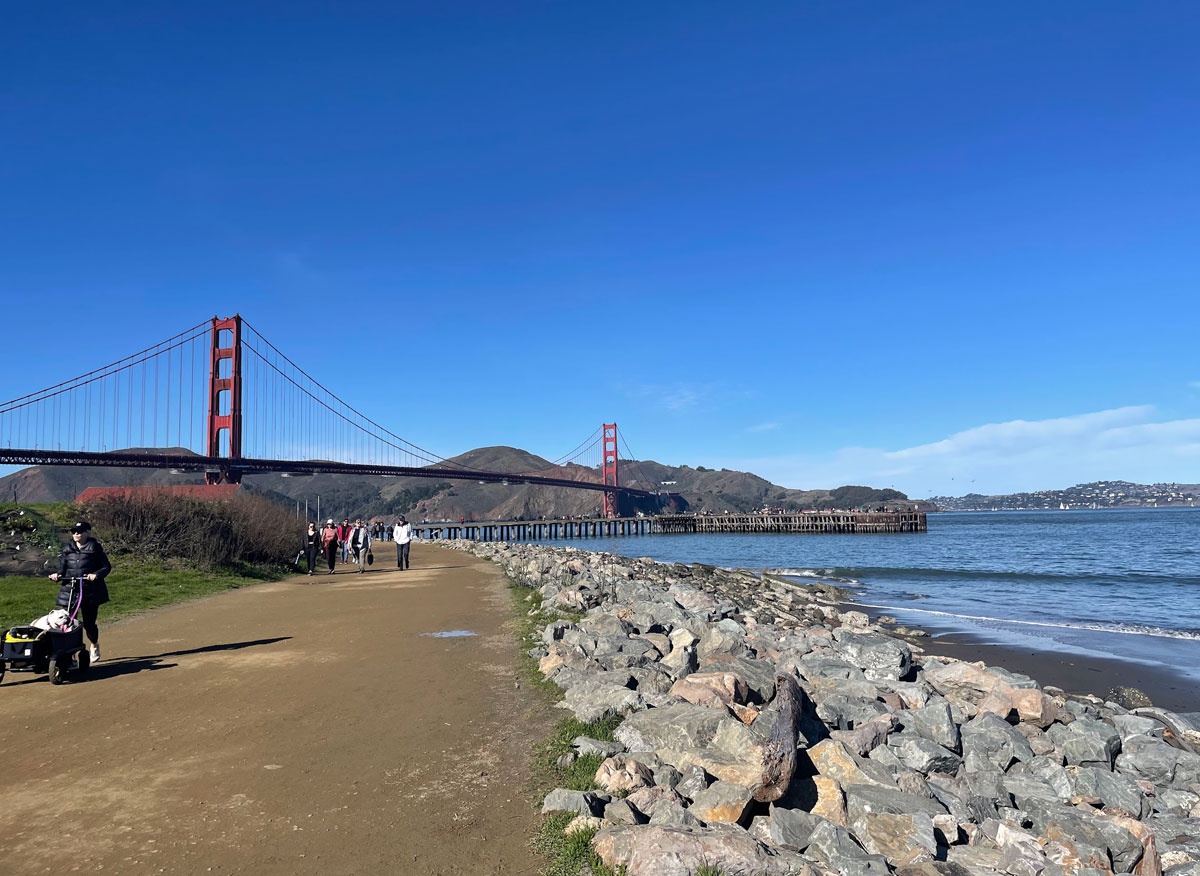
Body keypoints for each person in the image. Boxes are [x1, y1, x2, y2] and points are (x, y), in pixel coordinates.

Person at [48, 520, 111, 663]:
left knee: (89, 623)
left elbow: (106, 567)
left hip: (90, 591)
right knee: (67, 623)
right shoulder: (68, 548)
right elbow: (63, 568)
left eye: (79, 532)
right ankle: (71, 655)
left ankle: (94, 645)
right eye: (74, 532)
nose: (76, 534)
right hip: (69, 591)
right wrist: (57, 575)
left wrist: (96, 575)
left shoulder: (94, 548)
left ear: (87, 533)